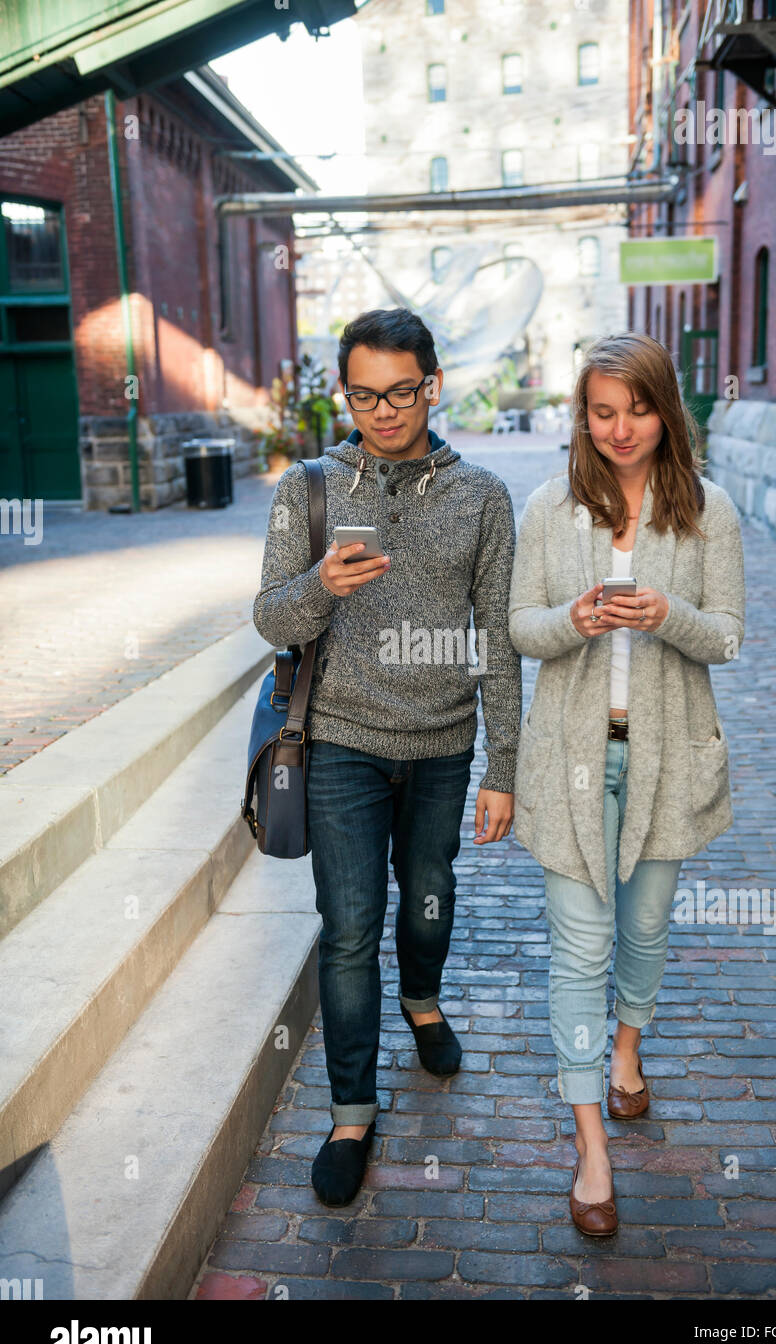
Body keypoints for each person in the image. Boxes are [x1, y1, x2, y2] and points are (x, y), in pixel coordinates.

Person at [253, 307, 522, 1205]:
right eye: (362, 394)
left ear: (432, 385)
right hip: (341, 745)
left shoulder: (481, 495)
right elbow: (270, 620)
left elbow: (500, 641)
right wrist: (320, 585)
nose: (382, 410)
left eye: (399, 391)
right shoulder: (311, 488)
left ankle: (424, 998)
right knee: (348, 926)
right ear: (347, 394)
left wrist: (504, 767)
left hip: (444, 745)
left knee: (431, 903)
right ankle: (353, 1111)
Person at [507, 331, 745, 1235]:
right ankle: (591, 1147)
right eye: (602, 412)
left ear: (666, 409)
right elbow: (522, 630)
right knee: (579, 949)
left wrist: (667, 614)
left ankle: (628, 1053)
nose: (620, 429)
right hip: (567, 759)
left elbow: (727, 634)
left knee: (644, 928)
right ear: (583, 416)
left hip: (667, 756)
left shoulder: (706, 510)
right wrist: (573, 618)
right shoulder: (547, 507)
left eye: (638, 409)